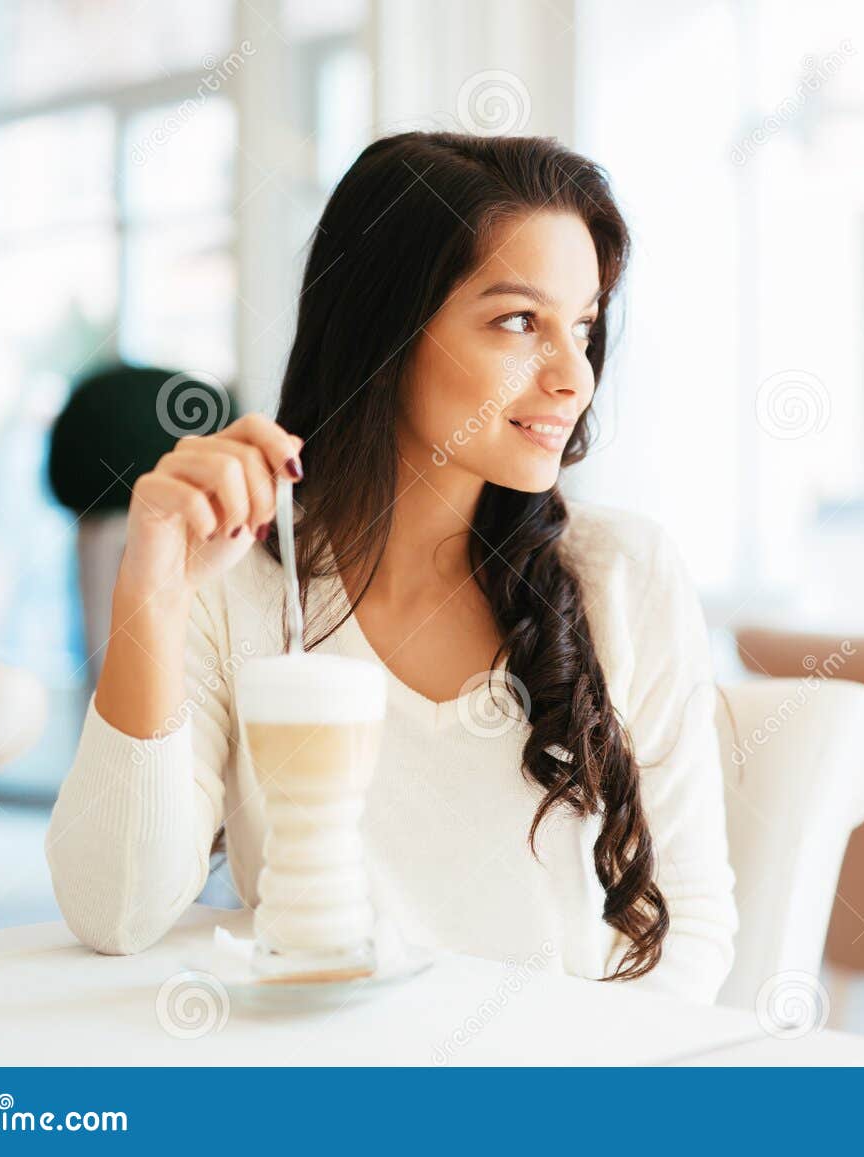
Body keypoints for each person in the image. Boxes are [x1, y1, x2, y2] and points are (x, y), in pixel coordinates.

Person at [45, 132, 738, 1004]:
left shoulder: (623, 575)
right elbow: (115, 911)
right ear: (386, 329)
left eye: (585, 324)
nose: (575, 376)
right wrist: (152, 588)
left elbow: (691, 924)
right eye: (520, 321)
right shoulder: (238, 583)